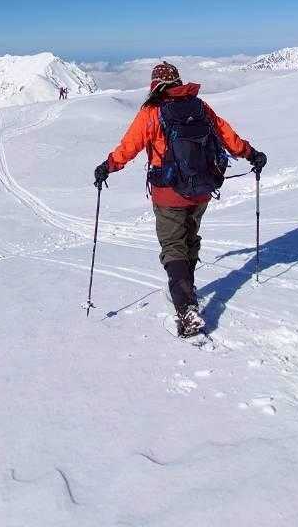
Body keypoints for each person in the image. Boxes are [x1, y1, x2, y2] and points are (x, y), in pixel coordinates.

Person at [93, 61, 266, 337]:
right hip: (201, 190)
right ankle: (188, 290)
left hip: (168, 192)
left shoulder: (151, 112)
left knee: (173, 247)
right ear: (177, 81)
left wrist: (108, 166)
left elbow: (129, 147)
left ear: (154, 85)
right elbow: (227, 135)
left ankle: (186, 308)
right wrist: (251, 153)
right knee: (189, 239)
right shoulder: (200, 107)